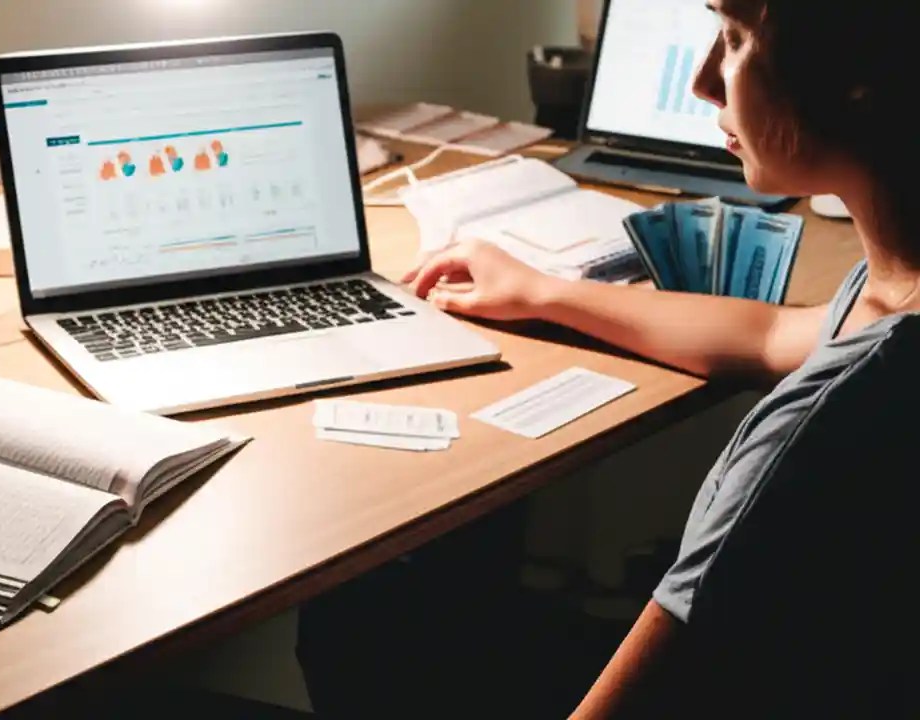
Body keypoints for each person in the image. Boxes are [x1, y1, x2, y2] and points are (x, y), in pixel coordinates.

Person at [297, 1, 919, 717]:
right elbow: (769, 336)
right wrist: (544, 292)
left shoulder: (830, 417)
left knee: (358, 615)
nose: (706, 83)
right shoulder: (895, 291)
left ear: (861, 77)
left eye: (738, 39)